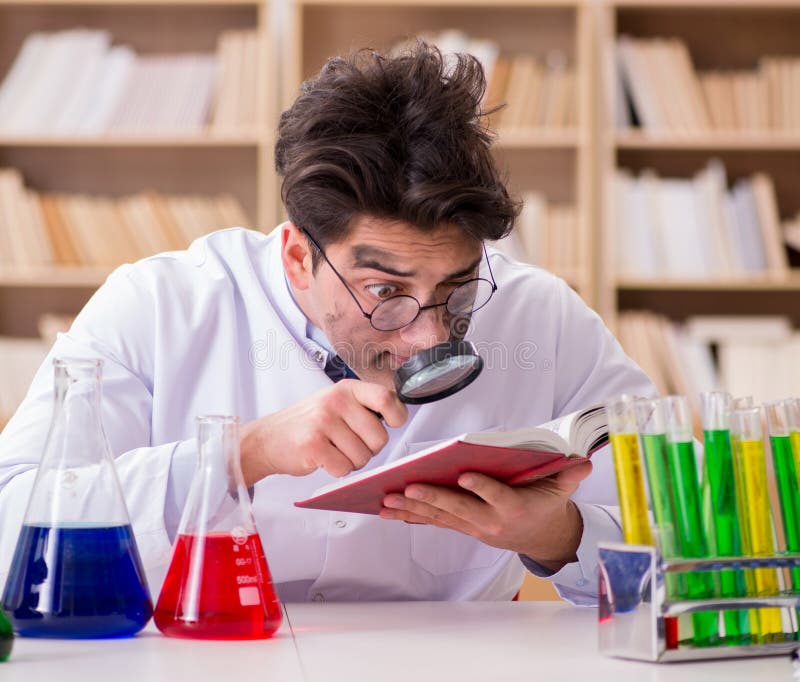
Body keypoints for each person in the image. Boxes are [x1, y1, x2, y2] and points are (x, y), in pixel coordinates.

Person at [0, 43, 653, 604]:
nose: (429, 340)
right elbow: (10, 524)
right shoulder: (157, 305)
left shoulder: (542, 316)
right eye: (384, 293)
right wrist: (239, 455)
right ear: (297, 255)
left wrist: (558, 536)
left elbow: (699, 541)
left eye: (457, 291)